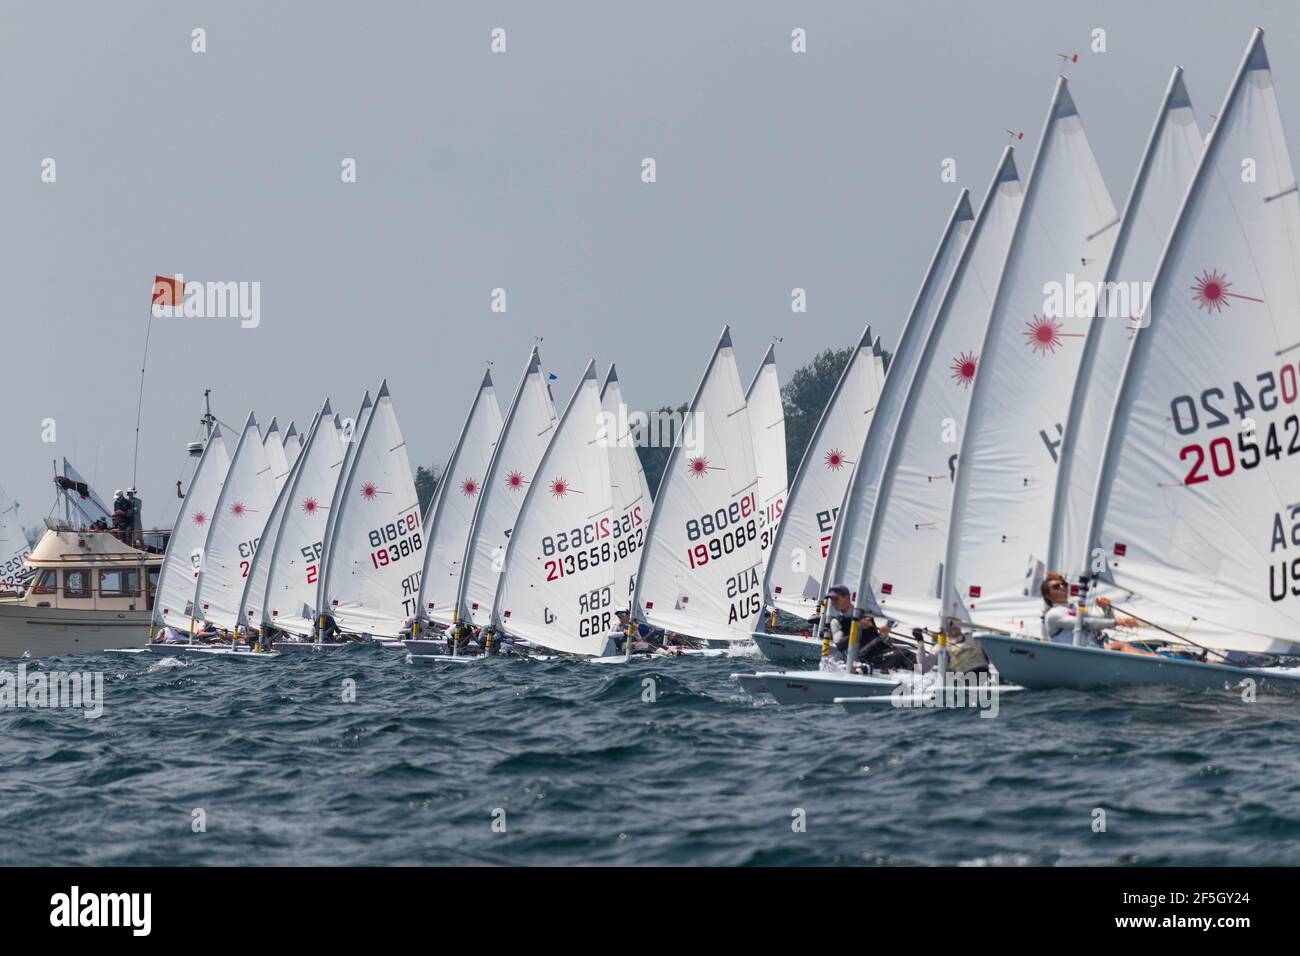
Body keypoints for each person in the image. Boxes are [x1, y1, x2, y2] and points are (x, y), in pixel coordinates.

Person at [824, 585, 914, 673]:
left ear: (847, 598)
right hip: (866, 659)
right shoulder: (836, 622)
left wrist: (884, 634)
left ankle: (919, 677)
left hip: (881, 653)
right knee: (906, 655)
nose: (833, 602)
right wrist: (859, 627)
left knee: (911, 657)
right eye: (831, 600)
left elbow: (876, 637)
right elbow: (840, 645)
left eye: (836, 599)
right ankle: (921, 679)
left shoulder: (866, 614)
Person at [1041, 572, 1138, 645]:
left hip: (1086, 651)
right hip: (1071, 656)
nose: (1062, 587)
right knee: (1122, 647)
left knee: (1120, 645)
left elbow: (1105, 623)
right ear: (1048, 595)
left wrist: (1106, 609)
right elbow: (1082, 624)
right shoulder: (1053, 614)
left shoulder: (1075, 608)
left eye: (1064, 584)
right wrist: (1116, 622)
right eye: (1056, 587)